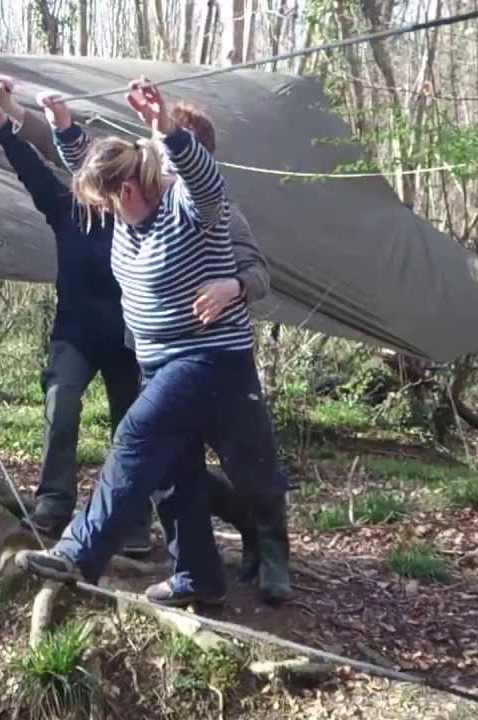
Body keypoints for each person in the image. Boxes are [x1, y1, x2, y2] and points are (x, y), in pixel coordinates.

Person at [16, 80, 286, 608]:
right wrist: (61, 124)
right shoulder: (124, 213)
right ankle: (198, 578)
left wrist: (167, 130)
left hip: (209, 358)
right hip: (158, 361)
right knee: (171, 471)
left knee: (140, 432)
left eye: (114, 202)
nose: (108, 213)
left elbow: (207, 186)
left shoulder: (192, 211)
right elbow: (92, 166)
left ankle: (77, 554)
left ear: (134, 190)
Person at [0, 79, 151, 558]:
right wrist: (1, 121)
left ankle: (132, 519)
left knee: (132, 426)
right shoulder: (65, 210)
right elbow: (31, 167)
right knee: (62, 404)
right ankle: (54, 503)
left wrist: (63, 124)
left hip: (129, 339)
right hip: (74, 335)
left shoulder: (138, 214)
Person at [160, 102, 291, 603]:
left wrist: (231, 287)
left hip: (223, 365)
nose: (165, 160)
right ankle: (218, 546)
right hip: (167, 365)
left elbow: (261, 275)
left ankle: (272, 551)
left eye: (176, 149)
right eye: (160, 147)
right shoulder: (144, 209)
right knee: (172, 466)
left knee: (252, 464)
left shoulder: (222, 213)